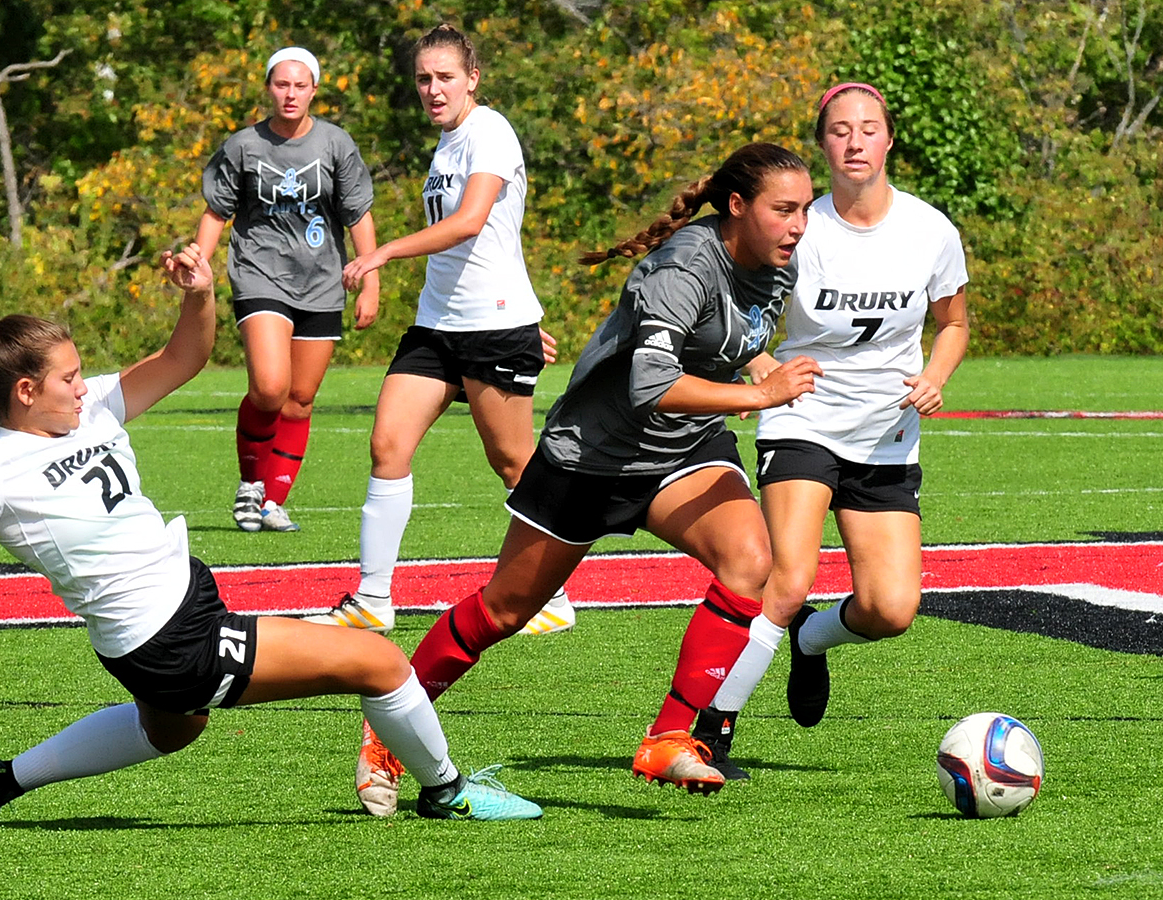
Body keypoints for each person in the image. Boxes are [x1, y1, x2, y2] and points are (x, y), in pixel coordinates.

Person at [0, 245, 540, 824]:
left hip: (174, 616)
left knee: (172, 733)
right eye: (67, 377)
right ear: (25, 392)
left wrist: (197, 294)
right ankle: (447, 791)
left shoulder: (87, 411)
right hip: (167, 641)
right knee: (379, 663)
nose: (84, 383)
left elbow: (185, 356)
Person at [352, 142, 823, 815]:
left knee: (751, 562)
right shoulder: (682, 266)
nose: (799, 224)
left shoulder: (778, 266)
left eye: (805, 209)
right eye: (785, 209)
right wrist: (762, 396)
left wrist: (758, 367)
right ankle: (387, 734)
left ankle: (669, 738)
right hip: (591, 457)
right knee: (504, 611)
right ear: (739, 207)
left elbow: (733, 339)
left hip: (683, 450)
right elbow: (652, 382)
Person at [690, 82, 970, 778]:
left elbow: (955, 323)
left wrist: (936, 374)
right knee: (785, 580)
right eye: (839, 130)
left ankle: (812, 640)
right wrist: (763, 372)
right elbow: (733, 314)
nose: (854, 141)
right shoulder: (799, 226)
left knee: (891, 607)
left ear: (888, 139)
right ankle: (710, 729)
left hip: (886, 434)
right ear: (822, 145)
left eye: (868, 128)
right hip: (803, 421)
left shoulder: (930, 230)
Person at [304, 24, 574, 638]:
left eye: (445, 76)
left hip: (494, 329)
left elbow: (472, 223)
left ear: (471, 78)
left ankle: (549, 593)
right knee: (387, 446)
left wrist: (383, 253)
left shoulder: (491, 131)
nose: (433, 88)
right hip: (436, 327)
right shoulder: (446, 144)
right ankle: (373, 598)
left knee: (512, 462)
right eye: (423, 78)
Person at [195, 46, 380, 534]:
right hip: (260, 275)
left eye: (300, 85)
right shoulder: (243, 146)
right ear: (269, 88)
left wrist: (370, 280)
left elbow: (358, 213)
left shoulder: (336, 144)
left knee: (300, 398)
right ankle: (250, 483)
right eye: (282, 84)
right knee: (271, 387)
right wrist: (199, 263)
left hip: (322, 282)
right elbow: (217, 211)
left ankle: (273, 501)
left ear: (314, 90)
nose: (290, 93)